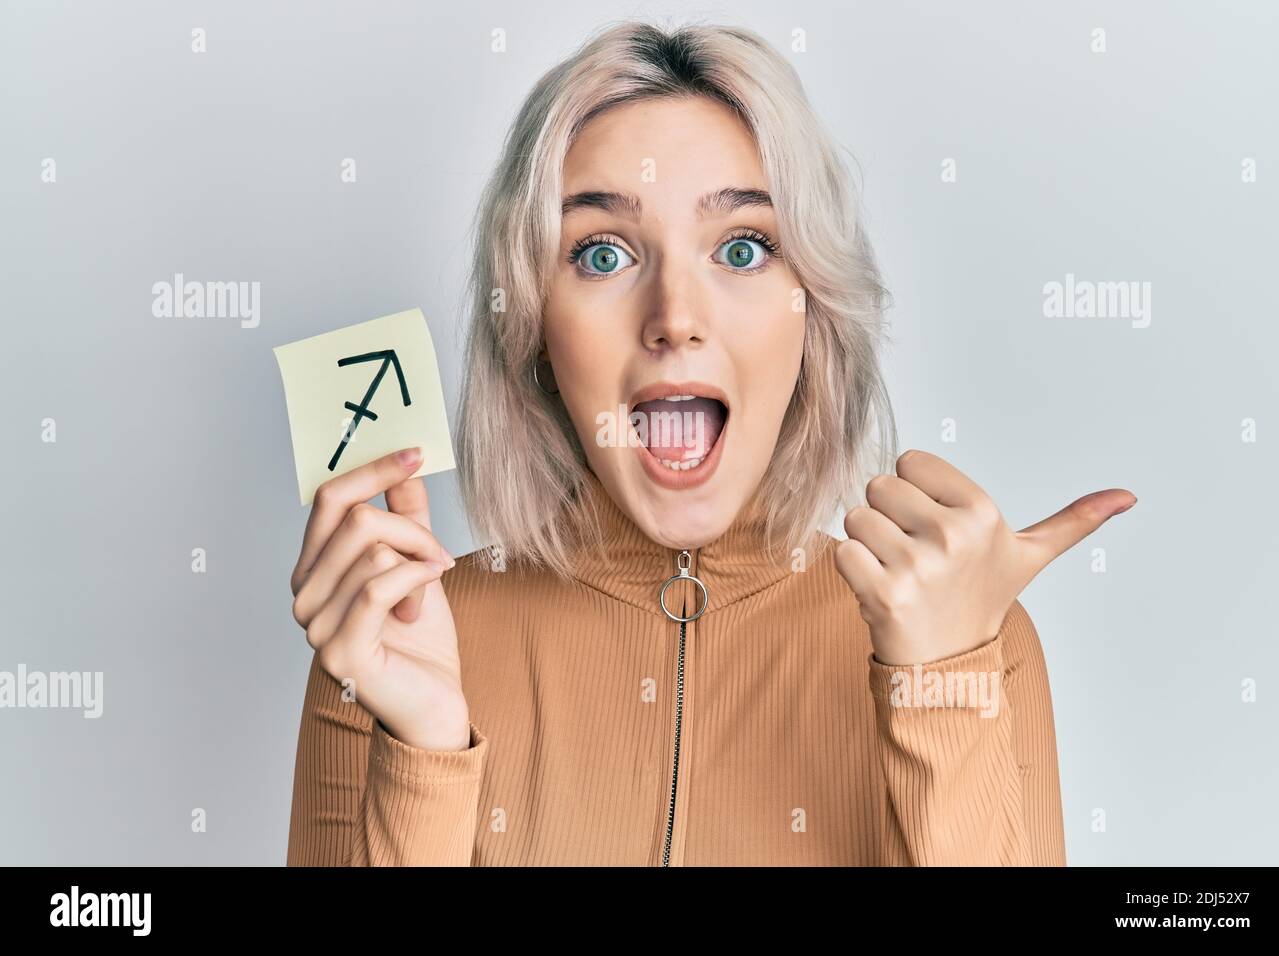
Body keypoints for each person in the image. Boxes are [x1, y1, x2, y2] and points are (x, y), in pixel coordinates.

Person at [286, 20, 1134, 866]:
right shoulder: (390, 645)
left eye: (741, 248)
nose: (675, 319)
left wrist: (944, 688)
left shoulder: (974, 640)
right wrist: (427, 753)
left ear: (815, 314)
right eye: (603, 254)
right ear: (534, 324)